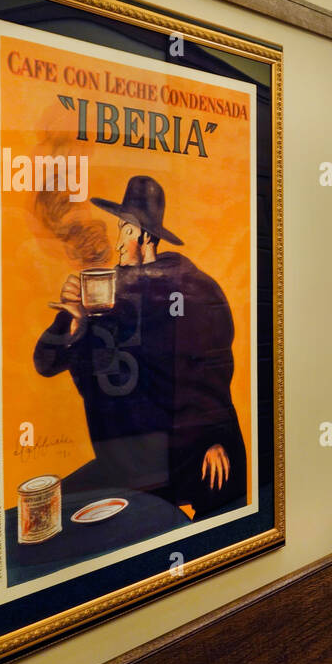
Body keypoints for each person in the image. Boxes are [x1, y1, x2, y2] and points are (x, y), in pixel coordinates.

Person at [34, 175, 247, 518]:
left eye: (125, 230)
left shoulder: (194, 290)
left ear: (146, 236)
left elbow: (212, 368)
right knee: (52, 513)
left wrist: (215, 437)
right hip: (127, 458)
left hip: (188, 452)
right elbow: (45, 362)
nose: (118, 243)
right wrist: (74, 319)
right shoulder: (106, 291)